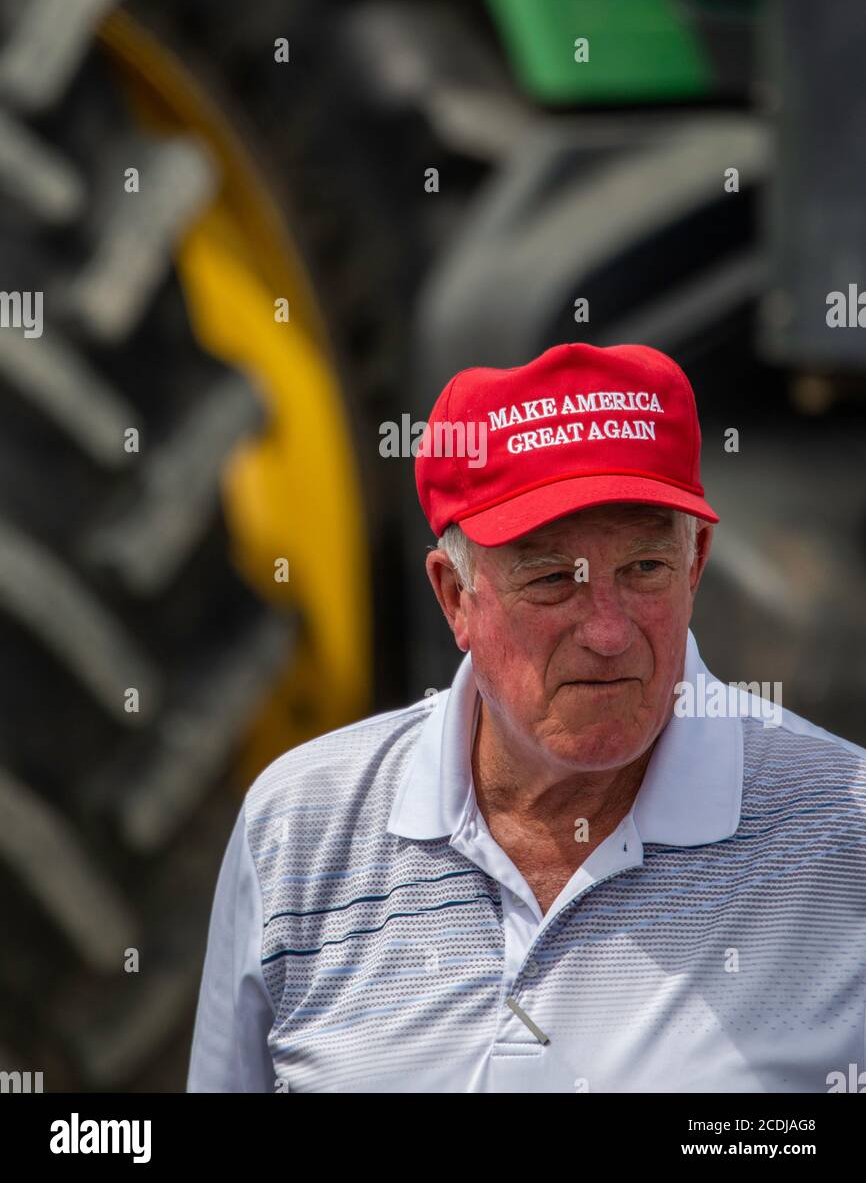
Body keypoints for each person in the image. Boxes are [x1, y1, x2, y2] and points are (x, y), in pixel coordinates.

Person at [187, 341, 866, 1093]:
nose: (608, 632)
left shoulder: (843, 834)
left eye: (645, 569)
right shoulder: (301, 830)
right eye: (551, 580)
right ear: (454, 598)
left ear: (697, 559)